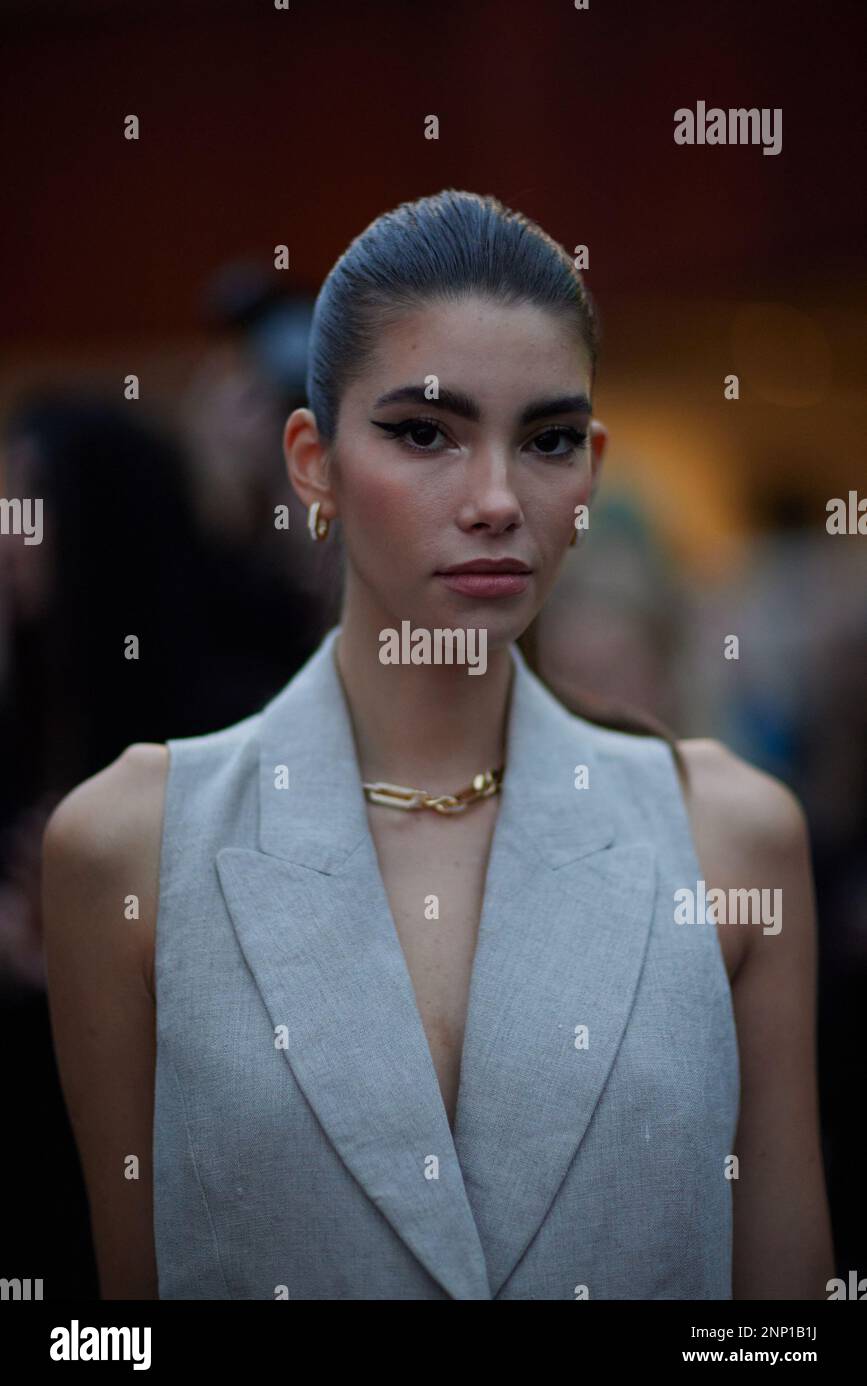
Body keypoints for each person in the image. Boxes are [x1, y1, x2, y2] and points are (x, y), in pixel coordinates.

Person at [42, 189, 834, 1300]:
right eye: (424, 432)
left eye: (549, 439)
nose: (499, 498)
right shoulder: (129, 847)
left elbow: (783, 1317)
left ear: (592, 471)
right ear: (311, 463)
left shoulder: (732, 839)